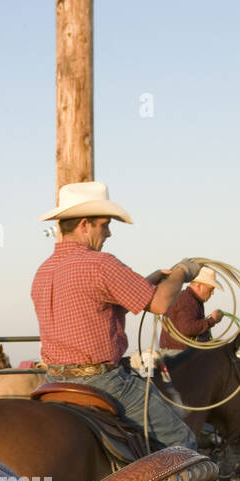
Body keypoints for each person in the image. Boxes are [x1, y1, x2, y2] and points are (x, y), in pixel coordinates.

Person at [33, 181, 199, 453]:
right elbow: (159, 304)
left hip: (54, 380)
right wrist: (182, 271)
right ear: (84, 224)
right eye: (105, 224)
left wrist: (147, 282)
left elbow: (97, 301)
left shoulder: (44, 270)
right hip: (102, 382)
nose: (109, 233)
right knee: (182, 445)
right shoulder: (100, 264)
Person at [159, 267, 223, 355]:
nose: (212, 293)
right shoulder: (188, 300)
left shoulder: (187, 298)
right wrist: (212, 320)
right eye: (210, 289)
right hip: (179, 354)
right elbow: (187, 328)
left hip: (176, 352)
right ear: (198, 285)